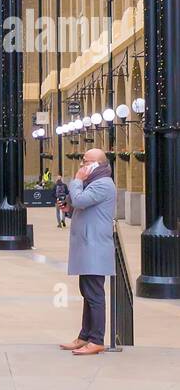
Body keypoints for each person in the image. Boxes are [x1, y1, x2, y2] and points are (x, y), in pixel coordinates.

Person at [59, 149, 116, 356]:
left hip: (95, 247)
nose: (82, 165)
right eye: (82, 161)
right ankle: (85, 336)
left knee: (95, 294)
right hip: (87, 246)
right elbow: (81, 205)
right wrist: (69, 207)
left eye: (86, 162)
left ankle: (97, 339)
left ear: (98, 164)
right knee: (87, 292)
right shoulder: (93, 183)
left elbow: (82, 200)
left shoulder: (103, 184)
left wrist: (76, 181)